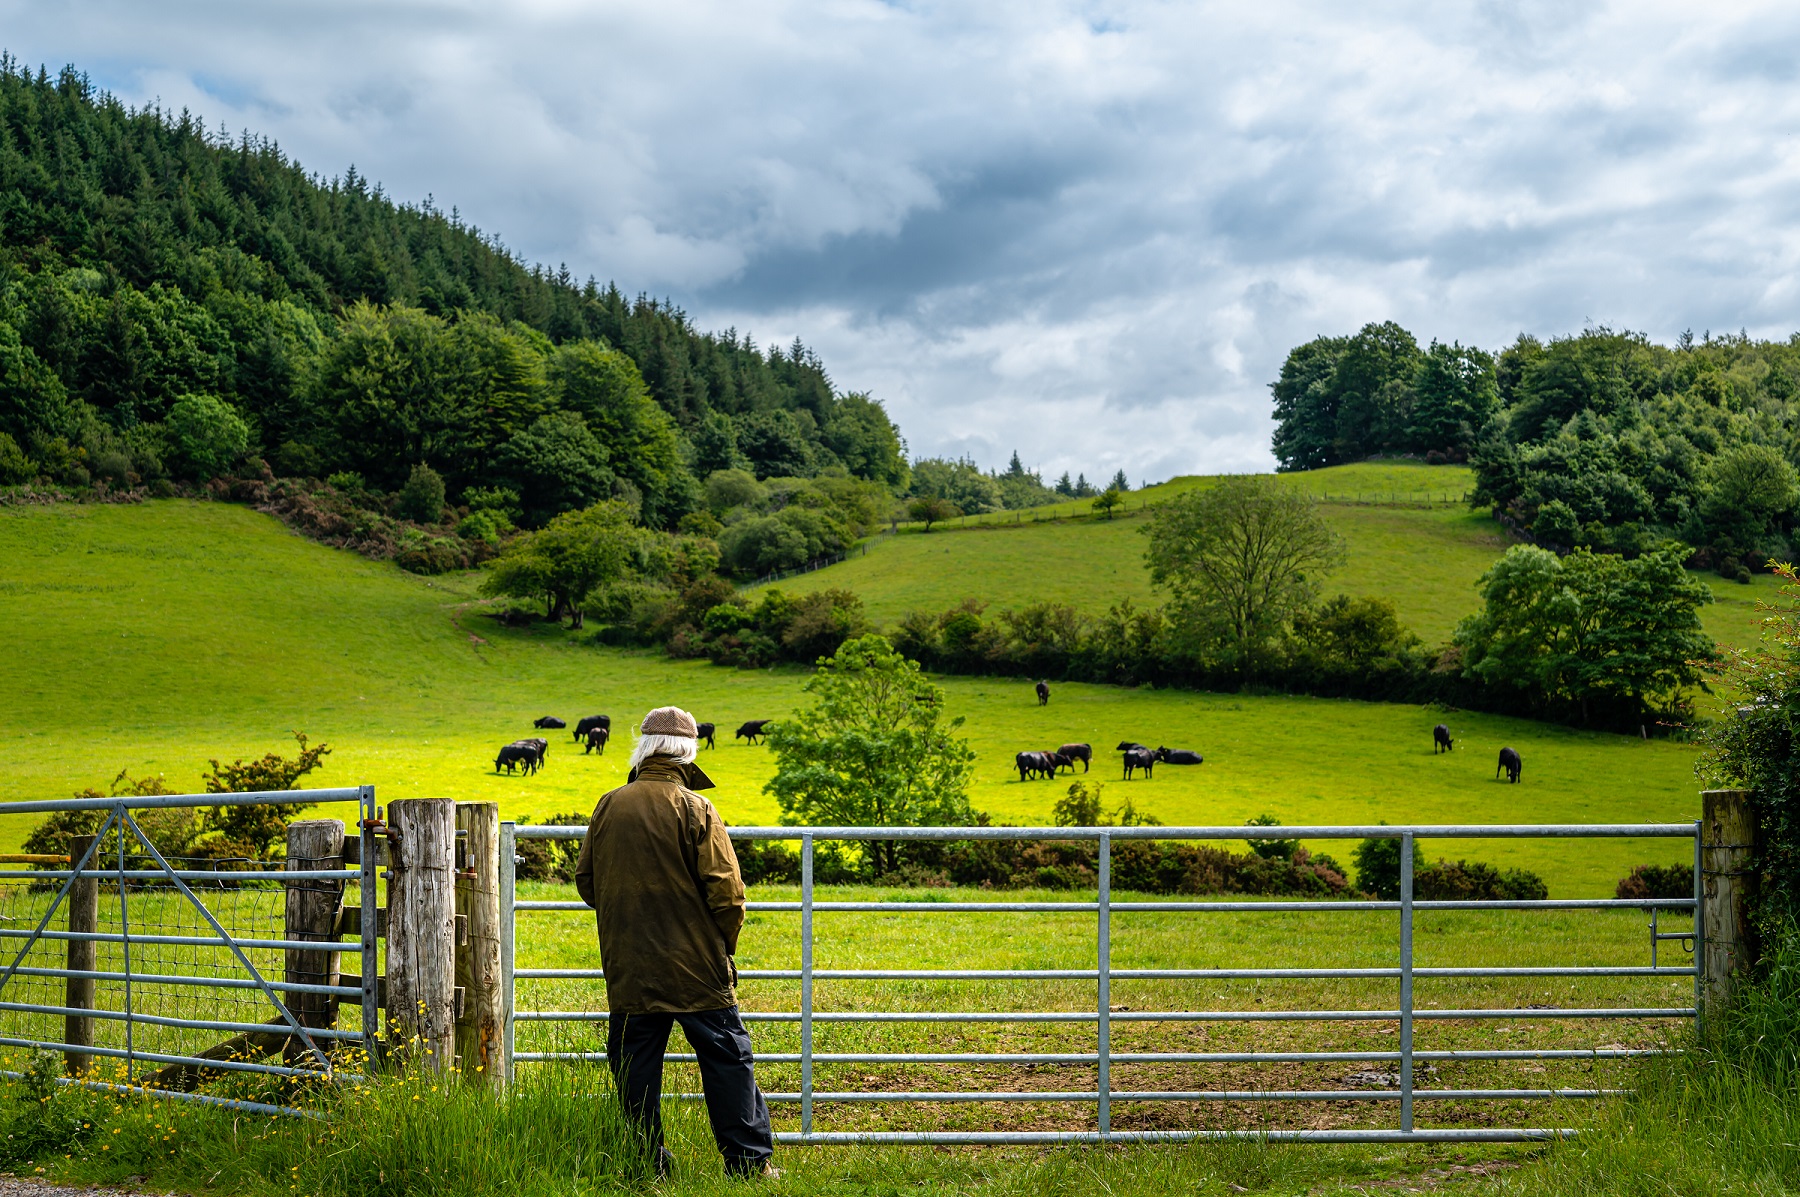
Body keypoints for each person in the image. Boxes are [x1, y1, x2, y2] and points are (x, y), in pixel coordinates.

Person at [574, 706, 776, 1179]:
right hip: (696, 966)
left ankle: (646, 1165)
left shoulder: (609, 804)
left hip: (630, 964)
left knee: (634, 1066)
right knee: (727, 1058)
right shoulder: (695, 808)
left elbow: (587, 882)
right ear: (688, 753)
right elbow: (727, 894)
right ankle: (747, 1164)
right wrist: (722, 947)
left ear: (643, 748)